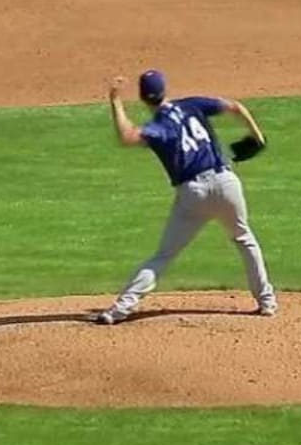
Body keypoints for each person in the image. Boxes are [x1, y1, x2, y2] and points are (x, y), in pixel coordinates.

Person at [89, 70, 277, 325]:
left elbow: (127, 136)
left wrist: (115, 100)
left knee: (164, 256)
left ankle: (120, 309)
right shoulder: (192, 105)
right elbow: (235, 106)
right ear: (165, 90)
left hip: (193, 194)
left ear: (144, 99)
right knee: (245, 239)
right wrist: (258, 137)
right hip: (226, 184)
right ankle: (267, 302)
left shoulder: (159, 127)